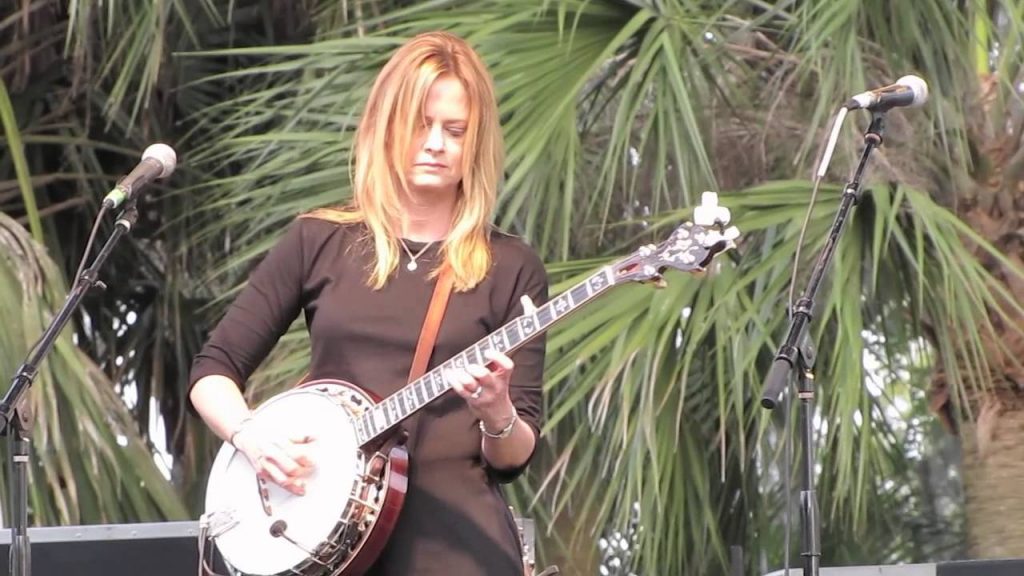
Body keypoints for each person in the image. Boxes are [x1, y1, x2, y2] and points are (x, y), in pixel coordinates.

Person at [188, 31, 547, 576]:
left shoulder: (510, 265)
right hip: (328, 542)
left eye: (455, 131)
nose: (435, 144)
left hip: (456, 550)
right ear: (386, 127)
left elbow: (513, 457)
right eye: (419, 125)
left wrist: (496, 413)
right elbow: (213, 371)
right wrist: (252, 437)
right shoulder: (318, 239)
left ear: (476, 143)